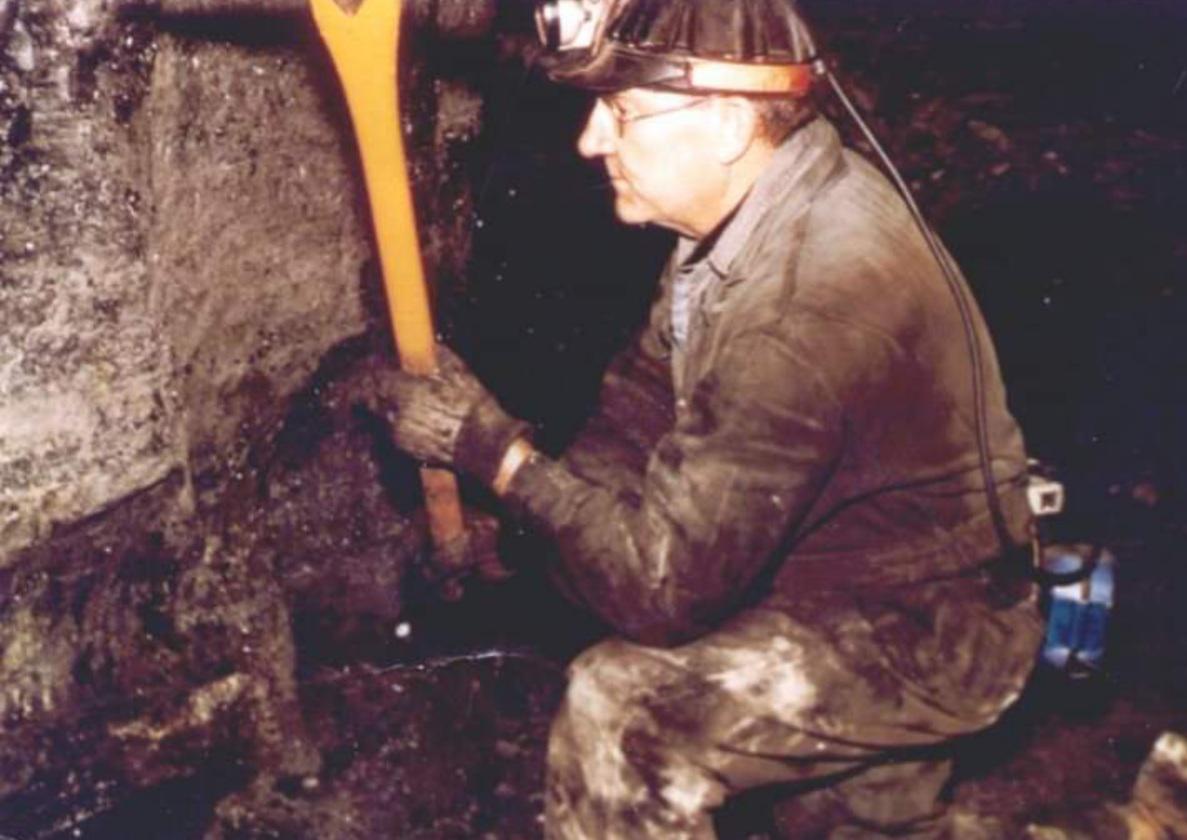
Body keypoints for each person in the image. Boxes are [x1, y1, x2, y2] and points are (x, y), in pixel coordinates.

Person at [353, 0, 1050, 836]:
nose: (590, 141)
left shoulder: (803, 307)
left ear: (725, 124)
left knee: (624, 714)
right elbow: (638, 413)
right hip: (840, 579)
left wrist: (496, 457)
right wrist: (524, 529)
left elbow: (660, 595)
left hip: (922, 629)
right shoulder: (747, 212)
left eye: (622, 112)